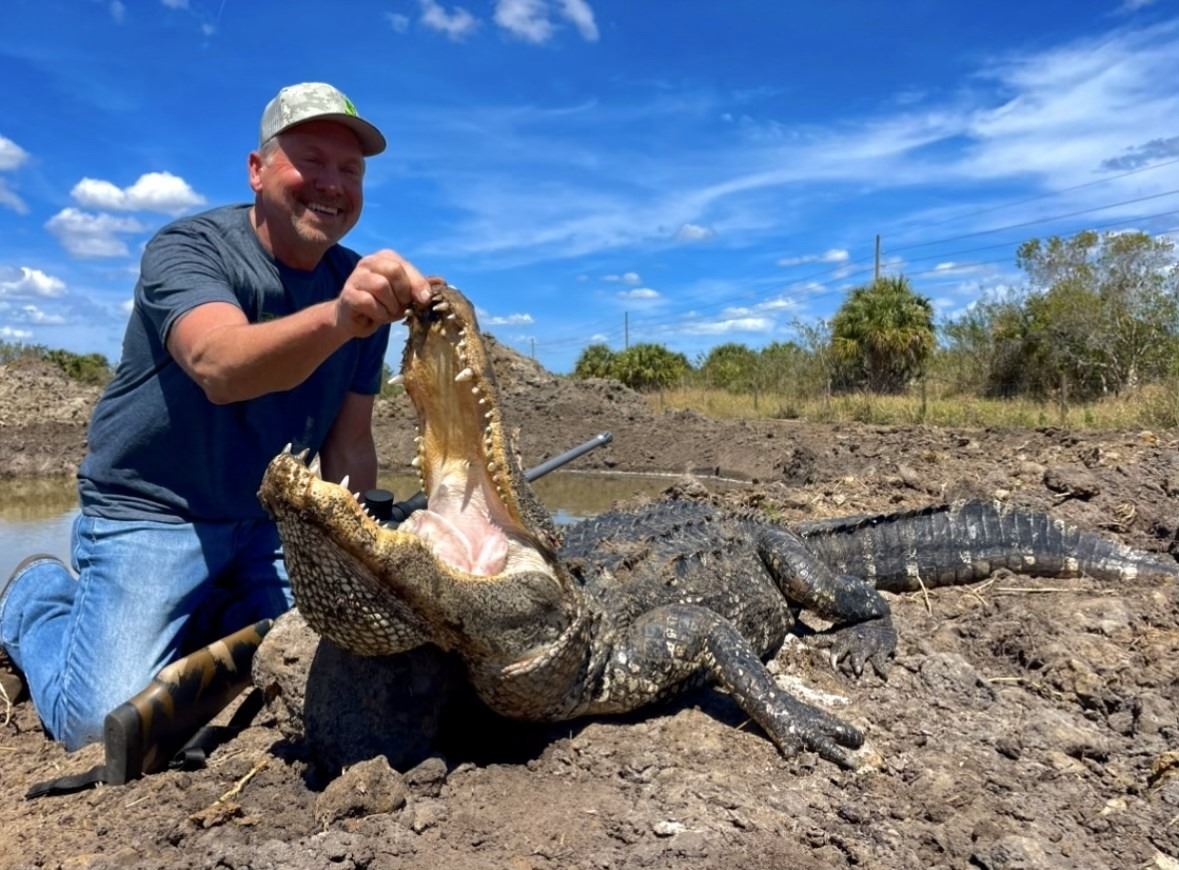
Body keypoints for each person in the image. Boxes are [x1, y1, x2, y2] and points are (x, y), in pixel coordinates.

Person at [0, 82, 434, 750]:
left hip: (266, 524)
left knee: (334, 657)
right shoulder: (188, 248)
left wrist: (362, 553)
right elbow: (218, 366)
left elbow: (349, 444)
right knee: (98, 727)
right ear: (257, 170)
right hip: (152, 511)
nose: (332, 184)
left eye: (350, 170)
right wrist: (341, 318)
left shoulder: (353, 288)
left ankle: (213, 605)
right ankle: (33, 600)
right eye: (311, 161)